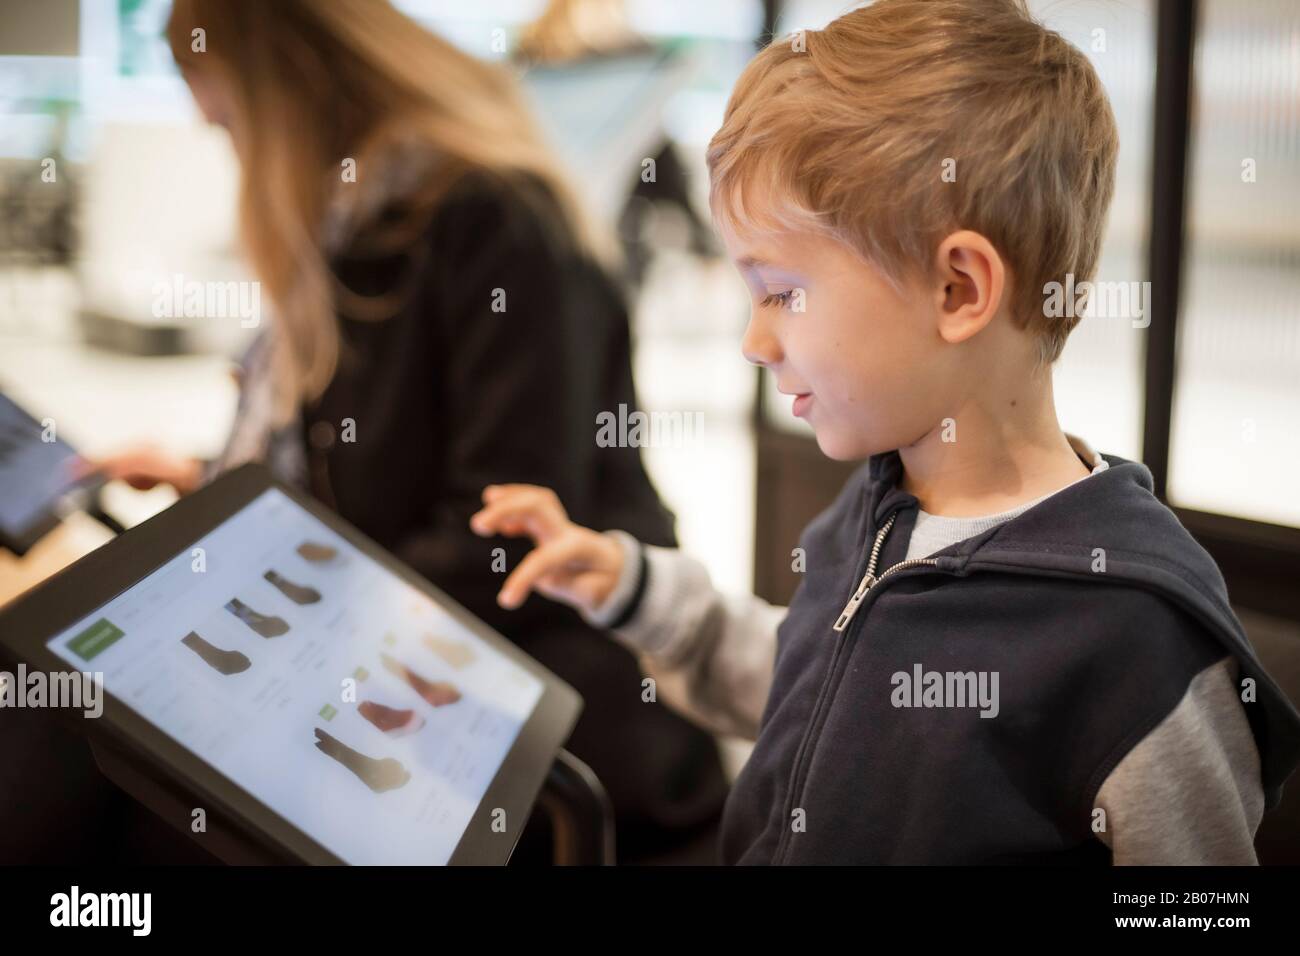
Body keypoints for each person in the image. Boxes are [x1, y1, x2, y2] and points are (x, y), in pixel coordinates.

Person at [468, 0, 1300, 864]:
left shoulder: (1137, 645)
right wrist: (639, 593)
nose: (754, 343)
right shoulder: (883, 507)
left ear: (958, 290)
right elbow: (821, 695)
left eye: (781, 291)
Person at [70, 0, 728, 863]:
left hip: (530, 722)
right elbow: (364, 469)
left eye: (226, 113)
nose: (211, 128)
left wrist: (268, 579)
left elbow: (499, 542)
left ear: (294, 85)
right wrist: (215, 488)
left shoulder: (493, 222)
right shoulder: (364, 221)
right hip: (419, 683)